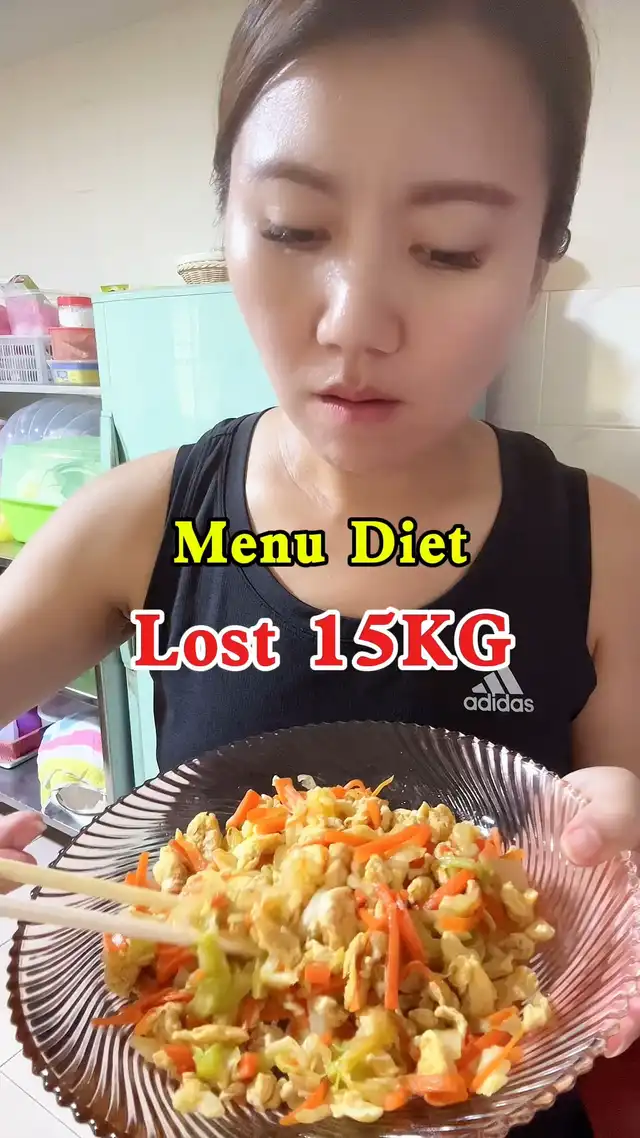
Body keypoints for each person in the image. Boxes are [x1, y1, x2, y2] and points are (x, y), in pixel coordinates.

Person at [0, 0, 639, 1131]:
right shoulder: (140, 520)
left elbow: (626, 825)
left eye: (448, 248)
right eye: (295, 230)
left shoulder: (611, 546)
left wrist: (623, 840)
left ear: (543, 258)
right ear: (228, 226)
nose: (352, 323)